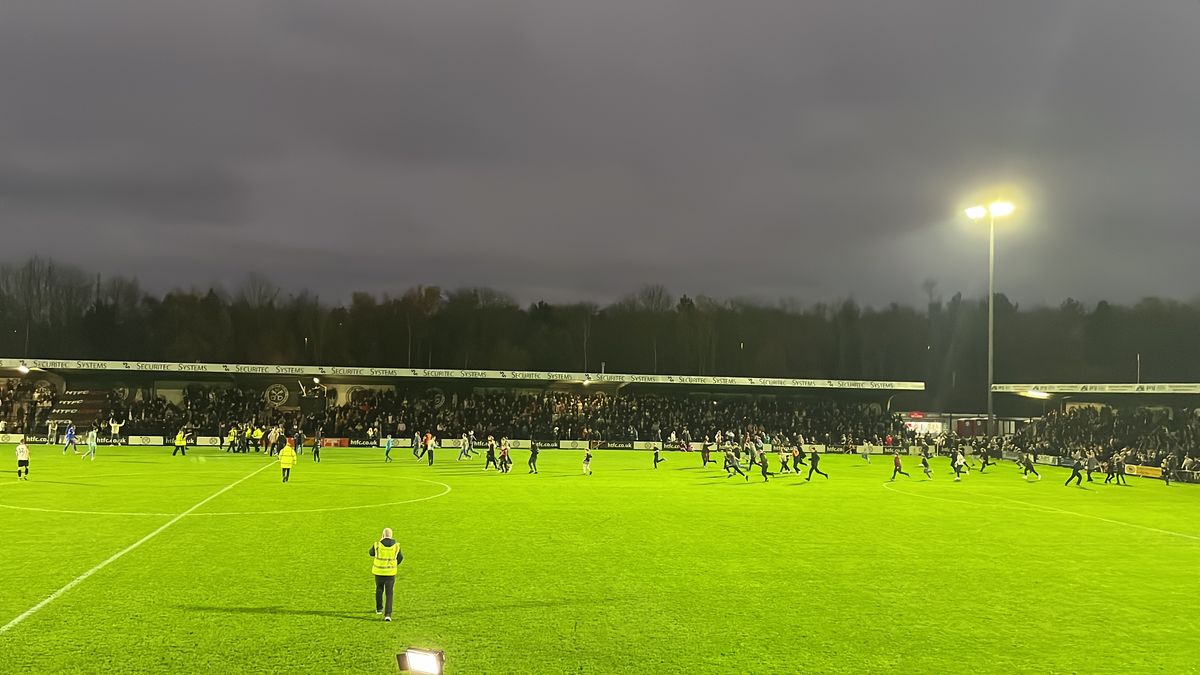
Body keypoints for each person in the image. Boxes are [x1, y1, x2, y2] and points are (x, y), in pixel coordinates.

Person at [369, 527, 403, 622]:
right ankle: (388, 614)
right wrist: (394, 565)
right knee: (389, 593)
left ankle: (379, 608)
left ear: (383, 535)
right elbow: (400, 557)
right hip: (390, 573)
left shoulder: (377, 545)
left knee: (379, 589)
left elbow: (371, 553)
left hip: (379, 572)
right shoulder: (396, 546)